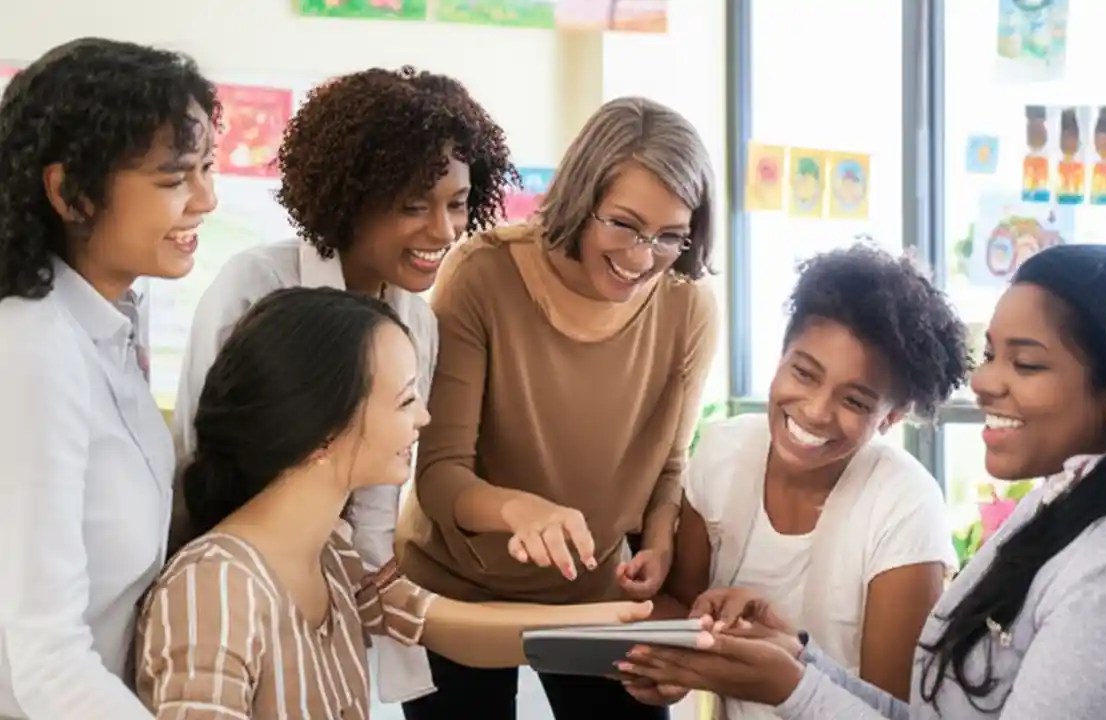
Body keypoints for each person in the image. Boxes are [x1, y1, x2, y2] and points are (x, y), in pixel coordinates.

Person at [617, 245, 1106, 719]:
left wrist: (790, 685)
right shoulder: (1071, 504)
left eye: (1025, 363)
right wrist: (796, 659)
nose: (985, 383)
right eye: (991, 353)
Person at [136, 287, 653, 718]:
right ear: (323, 430)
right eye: (406, 399)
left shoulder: (332, 556)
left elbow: (446, 624)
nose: (424, 419)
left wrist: (618, 627)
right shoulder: (216, 591)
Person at [169, 66, 517, 703]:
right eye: (414, 205)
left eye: (457, 204)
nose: (443, 231)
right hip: (239, 596)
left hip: (335, 589)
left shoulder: (417, 319)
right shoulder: (255, 286)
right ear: (350, 196)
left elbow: (378, 514)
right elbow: (198, 462)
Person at [398, 96, 718, 719]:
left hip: (593, 601)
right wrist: (521, 510)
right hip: (458, 589)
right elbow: (439, 477)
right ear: (580, 198)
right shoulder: (482, 275)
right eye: (623, 224)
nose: (641, 256)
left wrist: (656, 543)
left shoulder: (688, 306)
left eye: (670, 235)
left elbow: (668, 465)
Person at [651, 244, 967, 718]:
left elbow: (892, 711)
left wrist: (783, 669)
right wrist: (668, 668)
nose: (816, 411)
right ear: (781, 354)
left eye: (856, 401)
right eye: (804, 372)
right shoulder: (724, 452)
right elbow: (679, 606)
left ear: (891, 417)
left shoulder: (904, 503)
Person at [0, 38, 218, 719]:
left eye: (207, 168)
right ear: (70, 193)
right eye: (174, 178)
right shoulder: (34, 347)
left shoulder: (117, 322)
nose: (206, 199)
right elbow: (45, 658)